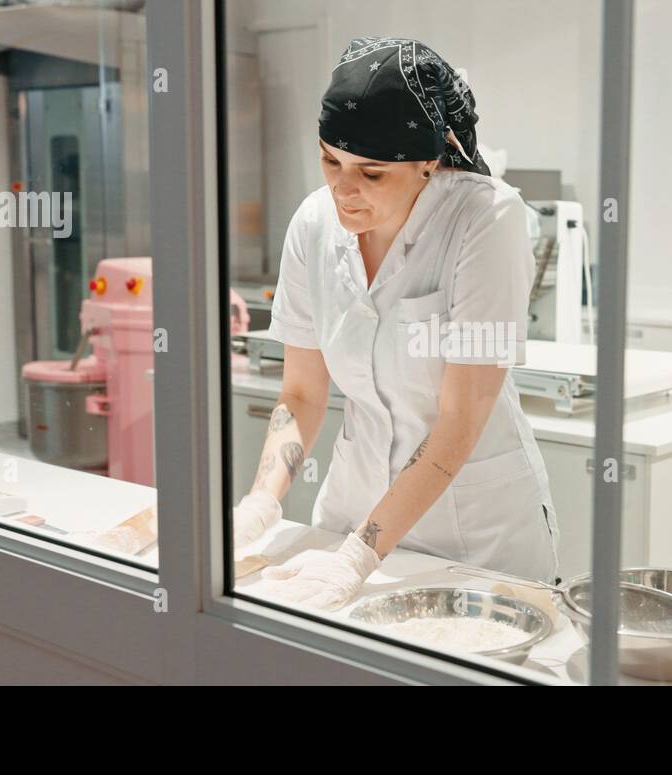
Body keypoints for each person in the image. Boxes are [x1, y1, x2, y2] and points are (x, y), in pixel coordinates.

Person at [239, 37, 558, 611]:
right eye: (329, 160)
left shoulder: (486, 219)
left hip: (471, 536)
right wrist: (260, 504)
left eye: (373, 173)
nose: (343, 189)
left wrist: (358, 560)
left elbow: (458, 421)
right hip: (348, 514)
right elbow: (302, 393)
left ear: (428, 162)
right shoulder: (313, 224)